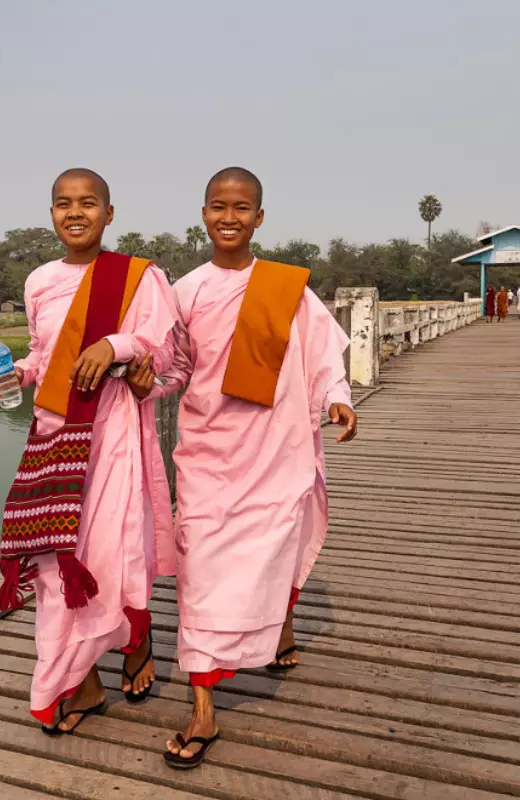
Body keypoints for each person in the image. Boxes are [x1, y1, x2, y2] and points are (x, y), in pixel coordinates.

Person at [148, 167, 356, 769]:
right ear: (204, 214)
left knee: (274, 546)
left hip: (275, 446)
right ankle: (204, 710)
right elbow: (174, 368)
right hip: (210, 455)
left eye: (242, 207)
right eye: (219, 206)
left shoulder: (287, 288)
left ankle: (280, 627)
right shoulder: (183, 291)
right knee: (202, 574)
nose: (230, 217)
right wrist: (144, 377)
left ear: (259, 217)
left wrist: (336, 396)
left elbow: (322, 358)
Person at [0, 168, 176, 734]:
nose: (76, 212)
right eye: (64, 203)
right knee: (51, 562)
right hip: (54, 434)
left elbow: (162, 350)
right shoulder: (40, 280)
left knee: (111, 554)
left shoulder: (139, 277)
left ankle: (133, 636)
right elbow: (43, 354)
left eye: (88, 203)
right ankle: (81, 681)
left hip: (113, 430)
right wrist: (15, 375)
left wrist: (112, 343)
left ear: (108, 214)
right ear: (51, 215)